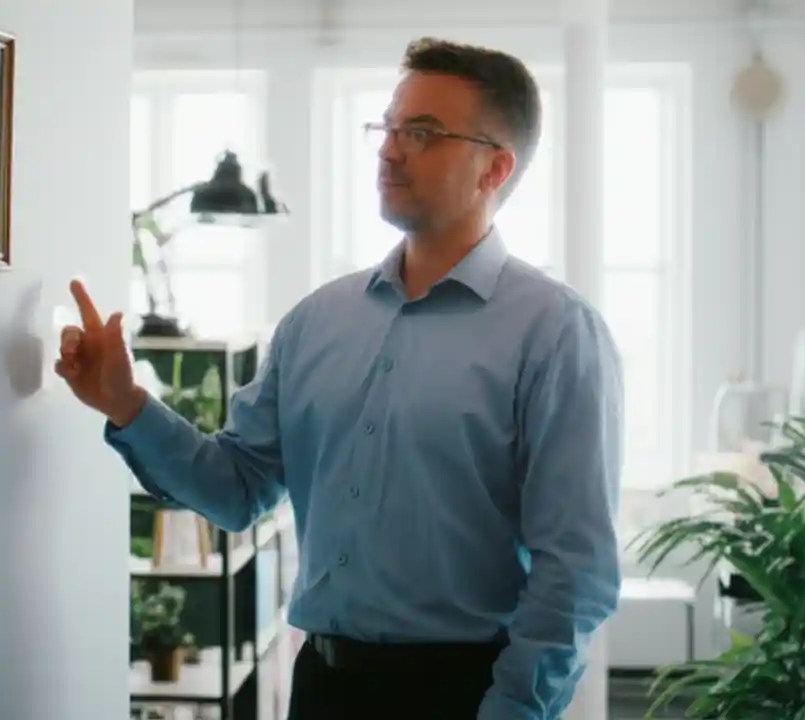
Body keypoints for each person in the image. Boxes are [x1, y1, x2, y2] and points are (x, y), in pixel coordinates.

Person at [58, 37, 623, 720]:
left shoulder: (557, 333)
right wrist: (125, 402)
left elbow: (576, 571)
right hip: (324, 689)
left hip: (465, 695)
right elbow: (237, 490)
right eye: (387, 127)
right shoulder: (314, 322)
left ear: (493, 168)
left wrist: (510, 711)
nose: (390, 149)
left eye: (422, 133)